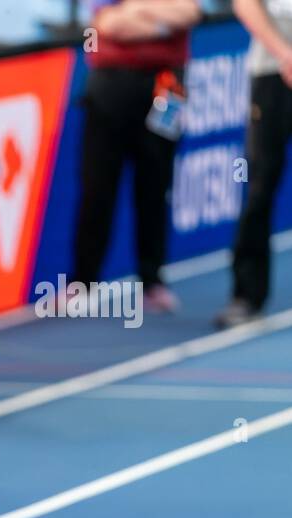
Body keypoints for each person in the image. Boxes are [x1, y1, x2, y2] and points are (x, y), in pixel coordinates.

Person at [72, 0, 201, 314]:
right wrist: (161, 20)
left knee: (156, 186)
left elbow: (190, 13)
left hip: (168, 88)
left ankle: (152, 281)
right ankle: (84, 282)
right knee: (97, 187)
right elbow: (109, 25)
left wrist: (134, 10)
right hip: (109, 85)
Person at [216, 0, 292, 328]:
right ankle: (246, 294)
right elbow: (246, 4)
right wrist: (285, 54)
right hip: (271, 73)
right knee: (259, 185)